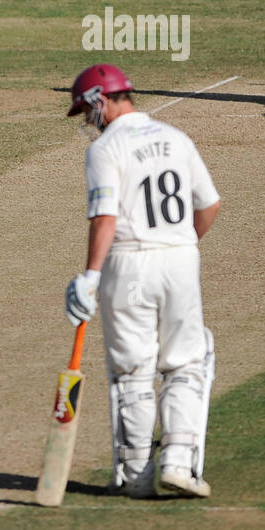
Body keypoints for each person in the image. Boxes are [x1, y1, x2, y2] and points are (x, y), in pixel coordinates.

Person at [62, 63, 221, 498]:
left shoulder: (105, 150)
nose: (89, 123)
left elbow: (105, 217)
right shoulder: (176, 138)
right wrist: (178, 243)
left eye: (87, 111)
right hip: (180, 261)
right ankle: (177, 463)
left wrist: (90, 277)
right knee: (186, 363)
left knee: (132, 372)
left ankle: (136, 476)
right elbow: (208, 206)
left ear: (100, 101)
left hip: (127, 265)